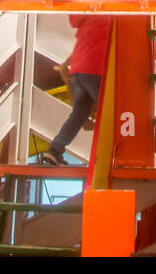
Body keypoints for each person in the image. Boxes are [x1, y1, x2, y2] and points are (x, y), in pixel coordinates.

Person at [41, 15, 111, 165]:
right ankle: (110, 155)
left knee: (79, 114)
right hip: (95, 68)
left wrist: (66, 64)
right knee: (111, 112)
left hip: (78, 70)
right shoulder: (110, 16)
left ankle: (55, 150)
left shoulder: (87, 18)